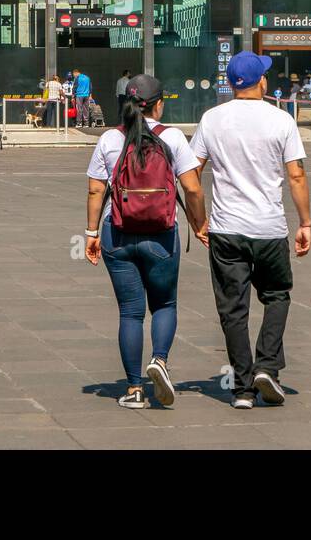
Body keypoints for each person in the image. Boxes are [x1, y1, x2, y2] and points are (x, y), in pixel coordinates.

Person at [191, 51, 311, 410]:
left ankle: (243, 388)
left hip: (226, 229)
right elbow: (296, 175)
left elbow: (191, 175)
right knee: (276, 296)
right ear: (262, 82)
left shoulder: (211, 119)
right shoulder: (281, 120)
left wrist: (198, 220)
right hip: (269, 228)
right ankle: (268, 367)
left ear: (230, 84)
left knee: (233, 309)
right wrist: (305, 222)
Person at [84, 75, 207, 410]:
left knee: (130, 312)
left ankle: (134, 389)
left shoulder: (110, 139)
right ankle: (160, 361)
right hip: (161, 234)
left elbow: (96, 190)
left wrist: (92, 234)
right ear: (159, 103)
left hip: (117, 233)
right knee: (164, 304)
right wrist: (199, 225)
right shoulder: (173, 138)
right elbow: (192, 188)